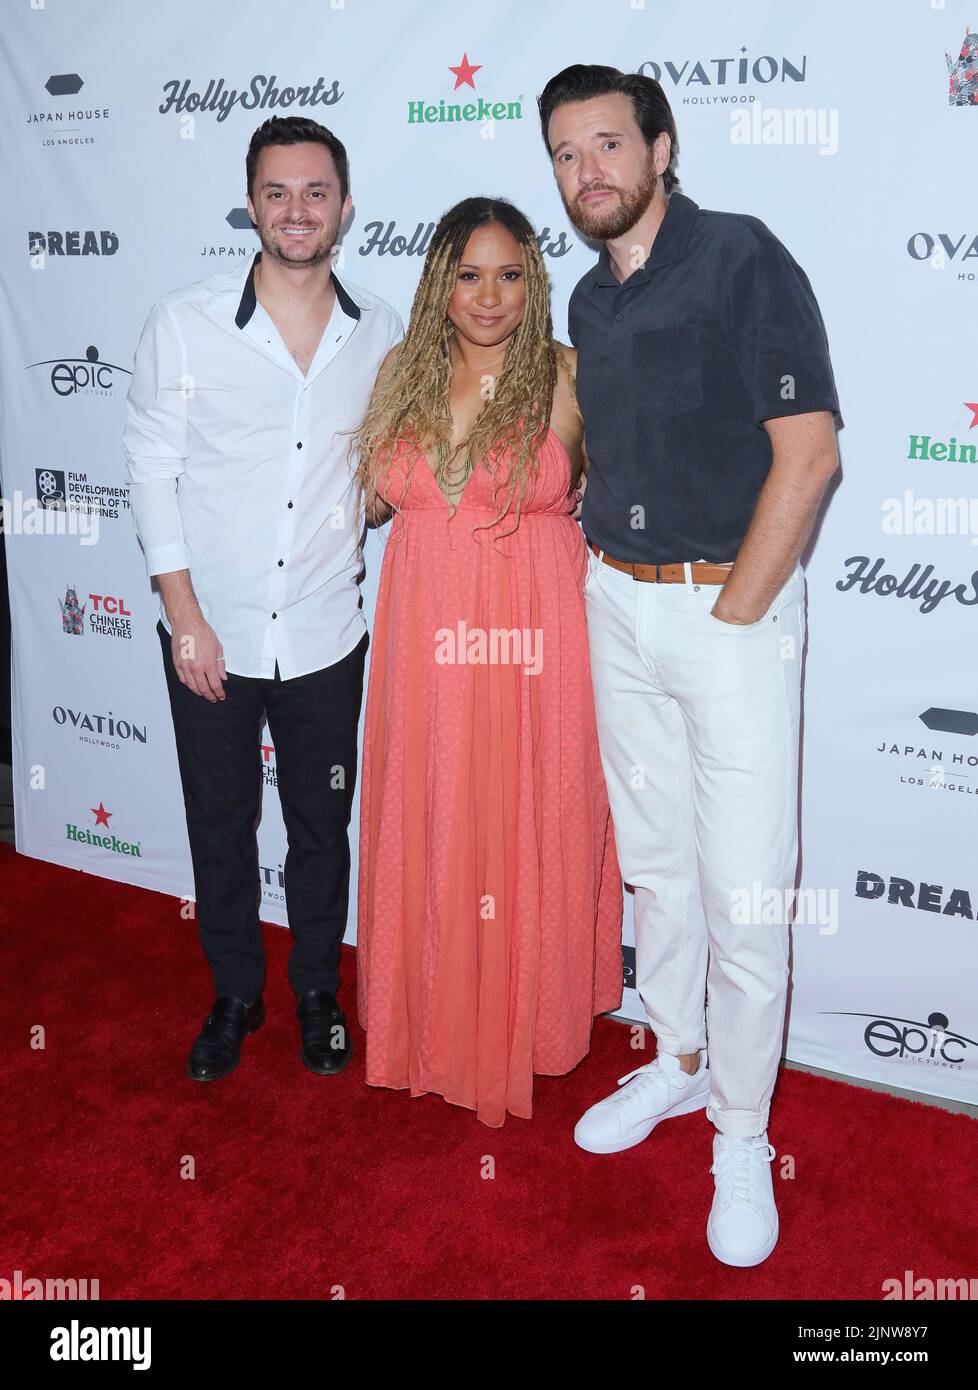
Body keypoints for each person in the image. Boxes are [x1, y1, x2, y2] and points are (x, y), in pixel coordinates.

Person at [538, 65, 840, 1264]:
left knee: (745, 894)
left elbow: (807, 457)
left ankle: (740, 1129)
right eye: (565, 154)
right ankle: (674, 1057)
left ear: (661, 147)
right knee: (659, 870)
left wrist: (735, 618)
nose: (587, 172)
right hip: (617, 600)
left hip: (729, 613)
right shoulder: (587, 300)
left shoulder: (741, 257)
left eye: (608, 144)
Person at [123, 116, 402, 1083]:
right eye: (277, 192)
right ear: (250, 204)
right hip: (214, 635)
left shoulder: (383, 329)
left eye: (315, 192)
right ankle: (236, 994)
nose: (296, 210)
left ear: (346, 207)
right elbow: (152, 473)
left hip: (328, 630)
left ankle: (318, 992)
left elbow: (378, 469)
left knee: (323, 826)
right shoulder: (184, 322)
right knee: (220, 820)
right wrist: (184, 619)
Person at [352, 197, 623, 1128]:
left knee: (525, 811)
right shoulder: (398, 373)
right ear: (440, 281)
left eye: (510, 274)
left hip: (534, 647)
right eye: (469, 274)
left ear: (535, 281)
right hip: (422, 641)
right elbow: (366, 506)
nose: (489, 295)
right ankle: (427, 1013)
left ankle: (525, 1020)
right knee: (430, 809)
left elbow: (639, 493)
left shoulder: (571, 376)